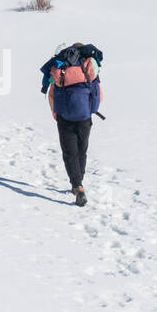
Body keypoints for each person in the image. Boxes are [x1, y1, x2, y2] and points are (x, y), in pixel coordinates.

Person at [45, 43, 102, 206]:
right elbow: (97, 92)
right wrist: (91, 110)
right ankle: (79, 182)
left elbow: (52, 93)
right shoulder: (90, 67)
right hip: (84, 116)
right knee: (82, 150)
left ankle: (77, 185)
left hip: (65, 117)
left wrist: (55, 113)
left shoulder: (61, 67)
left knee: (70, 153)